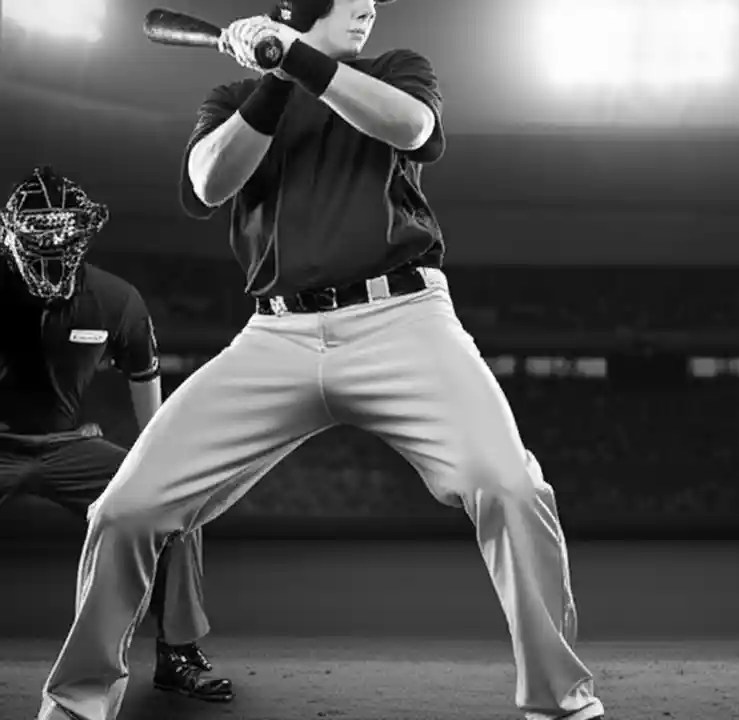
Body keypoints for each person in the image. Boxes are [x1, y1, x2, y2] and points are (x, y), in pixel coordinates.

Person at [35, 2, 605, 720]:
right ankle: (76, 705)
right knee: (125, 508)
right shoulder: (234, 97)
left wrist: (295, 57)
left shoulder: (396, 70)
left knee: (512, 488)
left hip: (402, 320)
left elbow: (412, 128)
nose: (367, 6)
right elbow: (209, 184)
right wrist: (274, 76)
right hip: (276, 337)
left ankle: (560, 702)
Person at [0, 167, 233, 708]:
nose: (50, 255)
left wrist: (156, 471)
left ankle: (177, 653)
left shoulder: (115, 299)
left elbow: (150, 405)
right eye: (38, 243)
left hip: (67, 447)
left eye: (61, 243)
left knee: (174, 498)